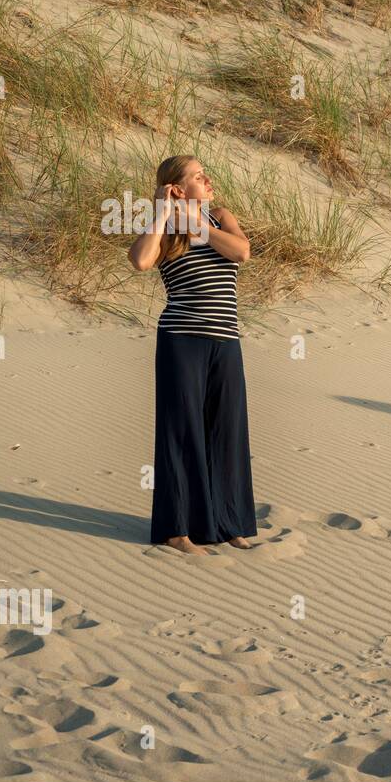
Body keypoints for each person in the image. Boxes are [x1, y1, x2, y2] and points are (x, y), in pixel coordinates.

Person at [128, 155, 257, 555]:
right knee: (181, 433)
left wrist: (197, 222)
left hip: (225, 340)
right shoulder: (165, 228)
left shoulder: (219, 217)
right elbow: (140, 261)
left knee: (226, 431)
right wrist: (161, 210)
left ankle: (228, 522)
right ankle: (177, 530)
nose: (209, 179)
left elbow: (242, 252)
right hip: (181, 342)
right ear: (179, 188)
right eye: (199, 176)